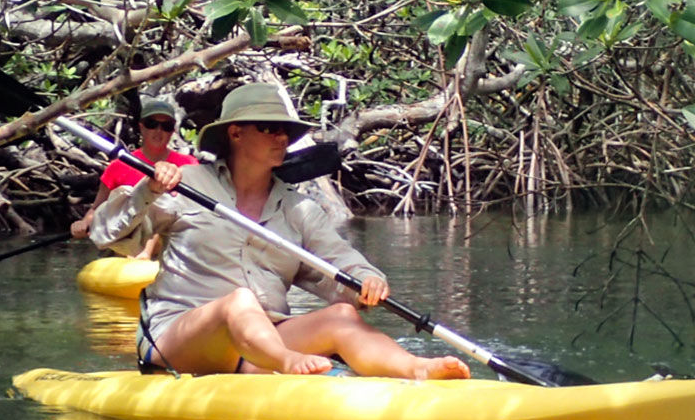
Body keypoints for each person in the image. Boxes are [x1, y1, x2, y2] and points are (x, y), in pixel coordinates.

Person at [92, 82, 470, 380]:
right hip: (179, 337)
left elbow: (340, 263)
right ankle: (286, 362)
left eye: (286, 131)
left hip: (262, 339)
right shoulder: (187, 184)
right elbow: (105, 234)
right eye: (270, 129)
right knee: (239, 302)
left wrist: (366, 281)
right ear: (235, 134)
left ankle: (413, 368)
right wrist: (148, 190)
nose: (282, 139)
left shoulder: (298, 209)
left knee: (340, 314)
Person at [71, 95, 198, 258]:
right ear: (142, 127)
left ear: (172, 131)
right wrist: (83, 223)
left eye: (166, 126)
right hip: (127, 238)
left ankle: (146, 253)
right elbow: (98, 207)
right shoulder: (118, 166)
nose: (158, 131)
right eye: (152, 124)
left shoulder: (189, 164)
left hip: (170, 242)